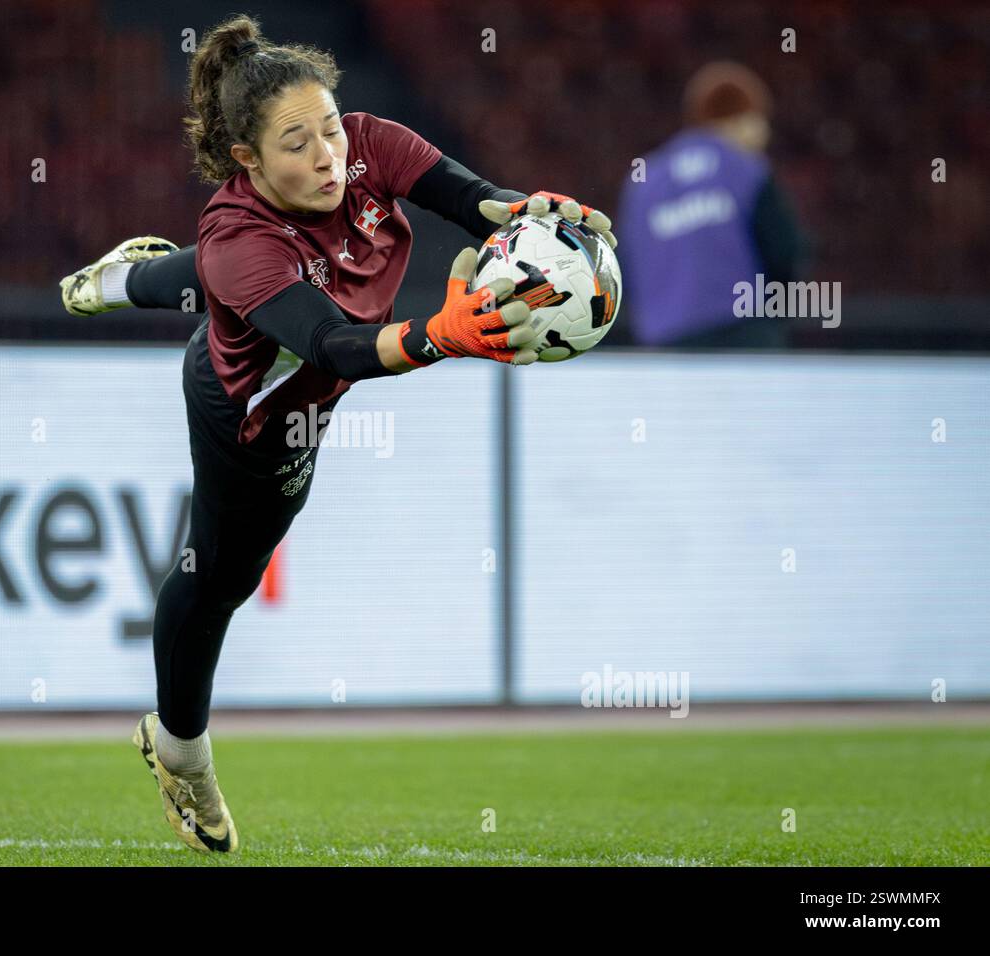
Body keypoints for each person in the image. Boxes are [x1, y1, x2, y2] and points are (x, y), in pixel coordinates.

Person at [58, 15, 615, 854]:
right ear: (246, 159)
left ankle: (123, 276)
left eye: (329, 128)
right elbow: (333, 347)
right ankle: (179, 751)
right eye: (298, 144)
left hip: (263, 318)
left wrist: (530, 215)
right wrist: (442, 334)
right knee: (218, 580)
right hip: (253, 416)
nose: (329, 157)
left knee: (214, 275)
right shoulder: (239, 242)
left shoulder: (365, 143)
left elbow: (474, 200)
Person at [615, 61, 806, 348]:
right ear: (738, 119)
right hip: (742, 333)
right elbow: (785, 252)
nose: (764, 133)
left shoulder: (643, 180)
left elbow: (623, 269)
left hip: (664, 341)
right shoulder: (745, 169)